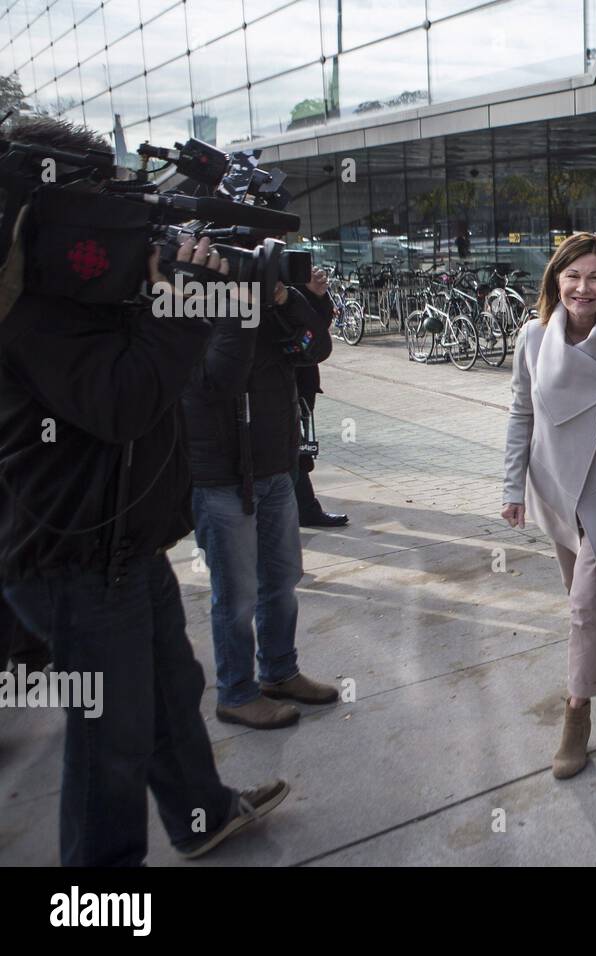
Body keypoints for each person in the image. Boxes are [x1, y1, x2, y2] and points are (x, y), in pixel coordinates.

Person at [0, 116, 287, 865]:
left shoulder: (87, 295)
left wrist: (192, 298)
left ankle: (201, 814)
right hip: (74, 559)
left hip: (120, 545)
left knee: (170, 687)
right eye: (98, 194)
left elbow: (189, 372)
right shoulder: (33, 313)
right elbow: (125, 401)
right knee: (111, 736)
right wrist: (180, 304)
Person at [503, 232, 596, 779]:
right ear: (556, 280)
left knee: (582, 603)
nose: (583, 287)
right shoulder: (533, 337)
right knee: (578, 597)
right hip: (554, 489)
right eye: (573, 276)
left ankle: (576, 715)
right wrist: (511, 487)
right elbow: (520, 414)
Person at [184, 255, 340, 730]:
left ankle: (279, 671)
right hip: (220, 474)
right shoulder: (190, 301)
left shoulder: (275, 302)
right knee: (235, 595)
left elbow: (314, 348)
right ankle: (236, 691)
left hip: (276, 465)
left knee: (281, 578)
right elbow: (218, 379)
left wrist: (287, 302)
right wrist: (236, 306)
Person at [294, 272, 348, 528]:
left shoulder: (290, 281)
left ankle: (305, 508)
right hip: (257, 389)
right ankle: (304, 508)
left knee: (295, 446)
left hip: (296, 382)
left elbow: (316, 332)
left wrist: (315, 295)